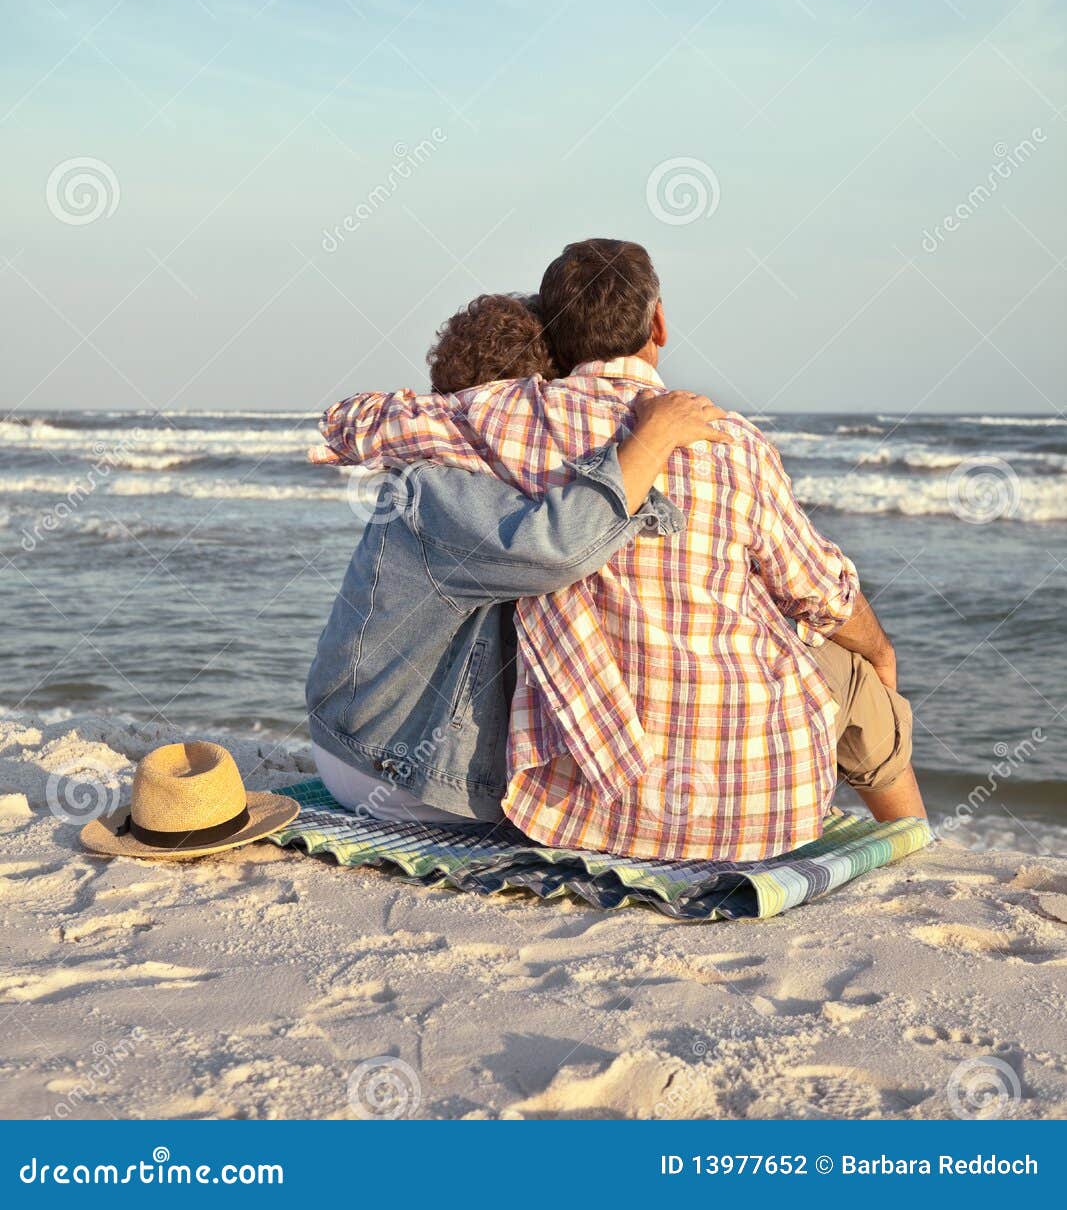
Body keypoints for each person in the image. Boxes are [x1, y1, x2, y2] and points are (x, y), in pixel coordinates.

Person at [313, 240, 926, 863]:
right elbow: (818, 588)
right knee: (833, 660)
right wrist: (879, 649)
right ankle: (915, 847)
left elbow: (356, 423)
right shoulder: (732, 441)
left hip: (573, 807)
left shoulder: (509, 420)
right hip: (757, 816)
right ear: (658, 321)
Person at [307, 292, 728, 825]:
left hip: (367, 742)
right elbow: (559, 545)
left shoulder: (462, 470)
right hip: (380, 764)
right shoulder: (435, 490)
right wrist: (656, 434)